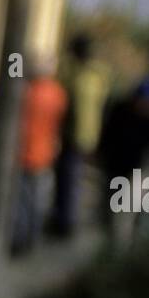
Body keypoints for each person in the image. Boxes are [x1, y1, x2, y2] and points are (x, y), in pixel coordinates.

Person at [98, 77, 149, 248]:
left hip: (137, 171)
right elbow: (107, 133)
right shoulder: (120, 109)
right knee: (109, 203)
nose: (145, 105)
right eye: (143, 100)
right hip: (114, 165)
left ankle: (121, 242)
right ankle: (108, 234)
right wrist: (101, 151)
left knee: (126, 210)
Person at [51, 33, 110, 237]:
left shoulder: (74, 74)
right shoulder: (99, 74)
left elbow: (61, 99)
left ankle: (65, 223)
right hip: (89, 134)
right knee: (72, 177)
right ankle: (64, 219)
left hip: (73, 135)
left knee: (67, 177)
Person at [13, 57, 68, 255]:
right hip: (46, 153)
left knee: (22, 202)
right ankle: (32, 240)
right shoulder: (58, 93)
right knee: (37, 200)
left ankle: (20, 241)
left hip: (26, 153)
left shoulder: (29, 92)